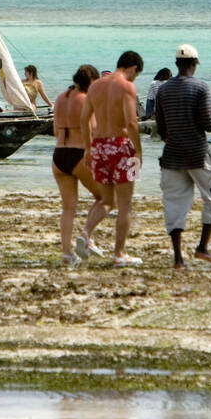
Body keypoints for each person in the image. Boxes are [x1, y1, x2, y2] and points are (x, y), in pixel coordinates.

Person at [77, 51, 144, 267]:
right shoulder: (126, 86)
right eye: (136, 75)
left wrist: (88, 148)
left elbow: (84, 118)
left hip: (98, 146)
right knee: (125, 205)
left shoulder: (95, 86)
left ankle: (86, 233)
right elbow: (131, 123)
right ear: (132, 68)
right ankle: (119, 254)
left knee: (107, 201)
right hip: (120, 146)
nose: (134, 79)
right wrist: (138, 151)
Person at [155, 44, 211, 269]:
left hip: (171, 155)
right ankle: (202, 247)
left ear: (176, 65)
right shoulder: (201, 87)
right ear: (194, 64)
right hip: (198, 154)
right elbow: (208, 125)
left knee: (174, 206)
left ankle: (178, 259)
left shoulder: (163, 90)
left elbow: (161, 128)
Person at [52, 65, 109, 267]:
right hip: (78, 153)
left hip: (59, 155)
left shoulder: (60, 98)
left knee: (68, 208)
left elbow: (54, 129)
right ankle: (86, 236)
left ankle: (67, 253)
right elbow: (93, 129)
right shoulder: (86, 100)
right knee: (106, 197)